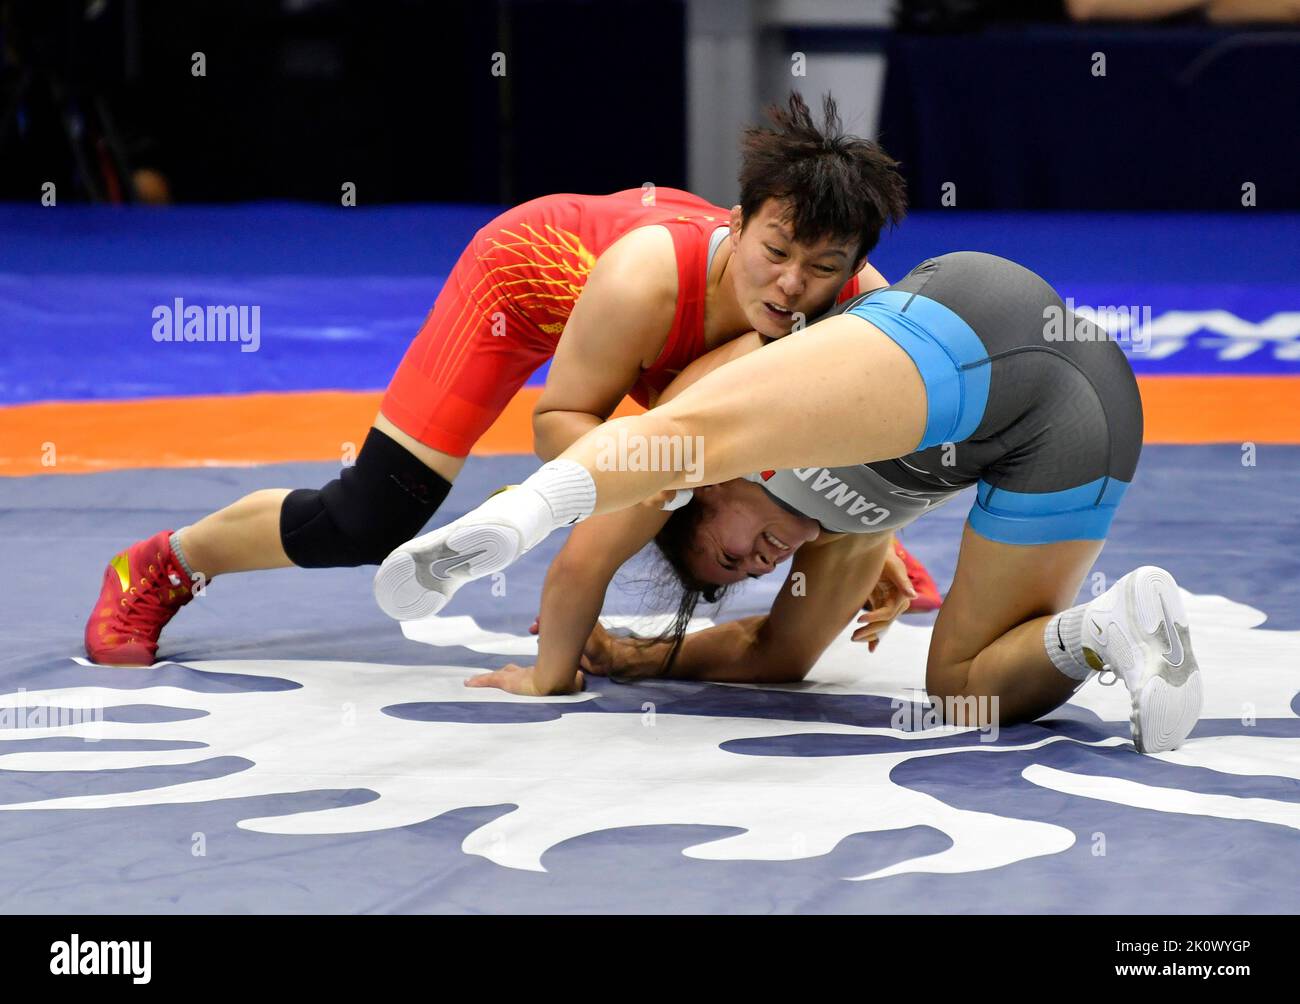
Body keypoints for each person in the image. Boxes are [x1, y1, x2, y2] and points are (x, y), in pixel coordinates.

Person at [85, 93, 940, 666]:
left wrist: (869, 532)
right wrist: (665, 483)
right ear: (739, 219)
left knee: (717, 437)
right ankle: (164, 563)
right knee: (371, 517)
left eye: (821, 268)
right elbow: (560, 426)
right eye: (775, 252)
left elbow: (850, 442)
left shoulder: (858, 307)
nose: (792, 285)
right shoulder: (649, 276)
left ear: (857, 266)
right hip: (531, 284)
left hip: (679, 364)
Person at [373, 251, 1203, 754]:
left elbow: (594, 551)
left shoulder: (721, 436)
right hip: (1087, 412)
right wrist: (631, 658)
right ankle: (1112, 625)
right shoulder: (845, 543)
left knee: (684, 435)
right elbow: (777, 659)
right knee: (962, 690)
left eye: (734, 554)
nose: (765, 563)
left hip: (973, 320)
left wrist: (553, 669)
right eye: (749, 571)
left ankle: (512, 514)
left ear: (703, 501)